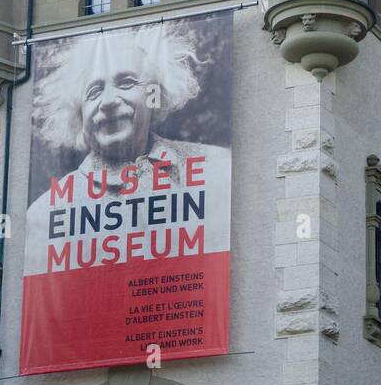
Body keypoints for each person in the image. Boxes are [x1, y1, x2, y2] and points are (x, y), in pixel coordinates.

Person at [24, 25, 230, 272]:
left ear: (155, 94)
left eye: (126, 83)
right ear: (77, 114)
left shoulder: (217, 169)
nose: (109, 102)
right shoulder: (44, 215)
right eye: (94, 92)